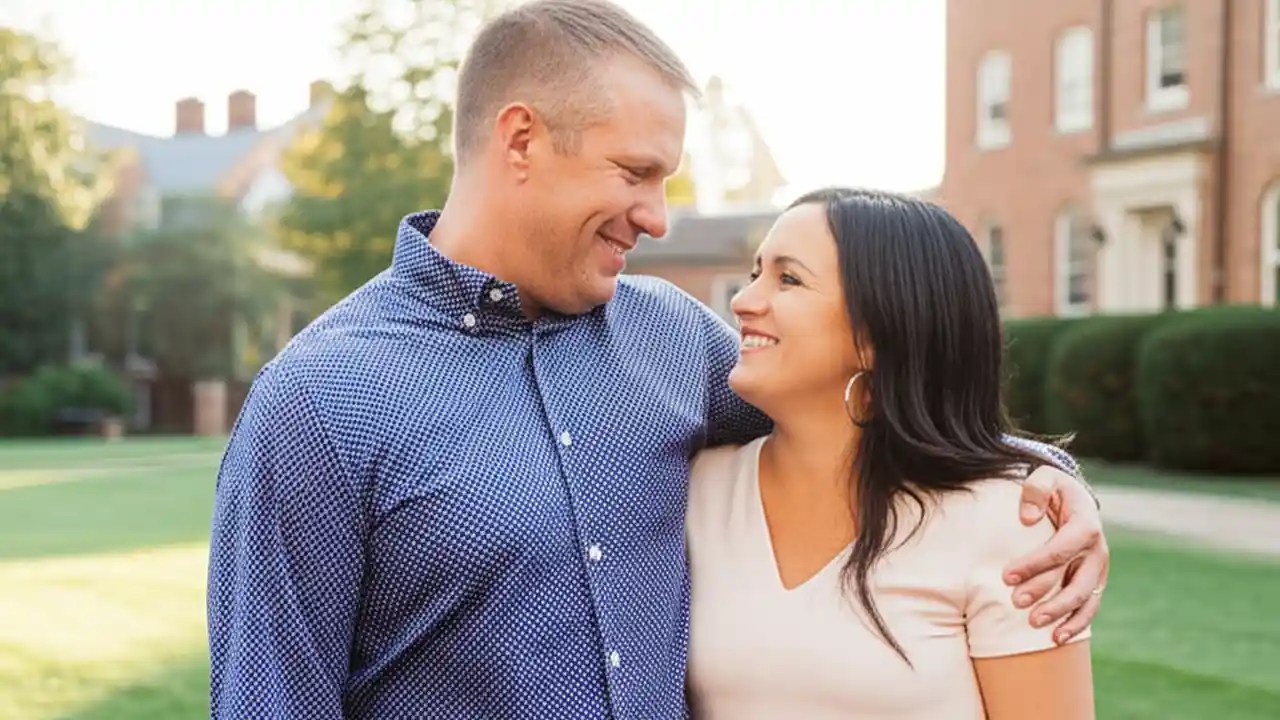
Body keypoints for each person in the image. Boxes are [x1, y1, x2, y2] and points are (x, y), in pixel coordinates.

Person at [206, 2, 1109, 718]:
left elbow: (865, 408)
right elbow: (270, 699)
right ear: (520, 140)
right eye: (635, 173)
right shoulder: (321, 399)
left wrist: (1048, 486)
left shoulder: (673, 339)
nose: (657, 216)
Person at [685, 188, 1099, 719]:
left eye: (788, 279)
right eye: (754, 274)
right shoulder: (698, 491)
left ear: (880, 330)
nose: (742, 302)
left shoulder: (1009, 521)